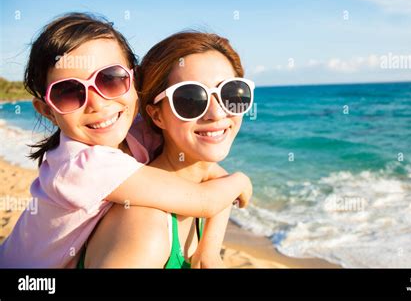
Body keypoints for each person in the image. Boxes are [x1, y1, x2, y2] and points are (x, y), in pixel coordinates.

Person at [0, 14, 252, 268]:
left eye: (110, 79)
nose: (98, 104)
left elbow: (210, 177)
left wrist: (209, 249)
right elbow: (205, 200)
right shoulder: (84, 166)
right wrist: (241, 180)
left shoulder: (135, 132)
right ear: (47, 111)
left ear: (133, 81)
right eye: (68, 92)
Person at [85, 31, 255, 268]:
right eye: (190, 99)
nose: (217, 114)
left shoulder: (209, 189)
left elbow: (216, 191)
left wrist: (210, 250)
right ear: (156, 115)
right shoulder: (147, 228)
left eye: (230, 93)